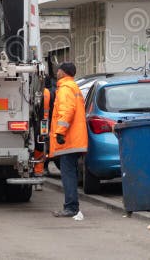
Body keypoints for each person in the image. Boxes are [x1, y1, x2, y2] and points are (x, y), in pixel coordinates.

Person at [48, 62, 87, 218]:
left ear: (63, 73)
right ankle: (73, 206)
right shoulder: (74, 87)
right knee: (71, 173)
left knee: (68, 175)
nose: (57, 72)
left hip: (68, 140)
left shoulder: (65, 89)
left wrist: (60, 132)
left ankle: (71, 208)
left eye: (59, 70)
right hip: (75, 139)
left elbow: (67, 111)